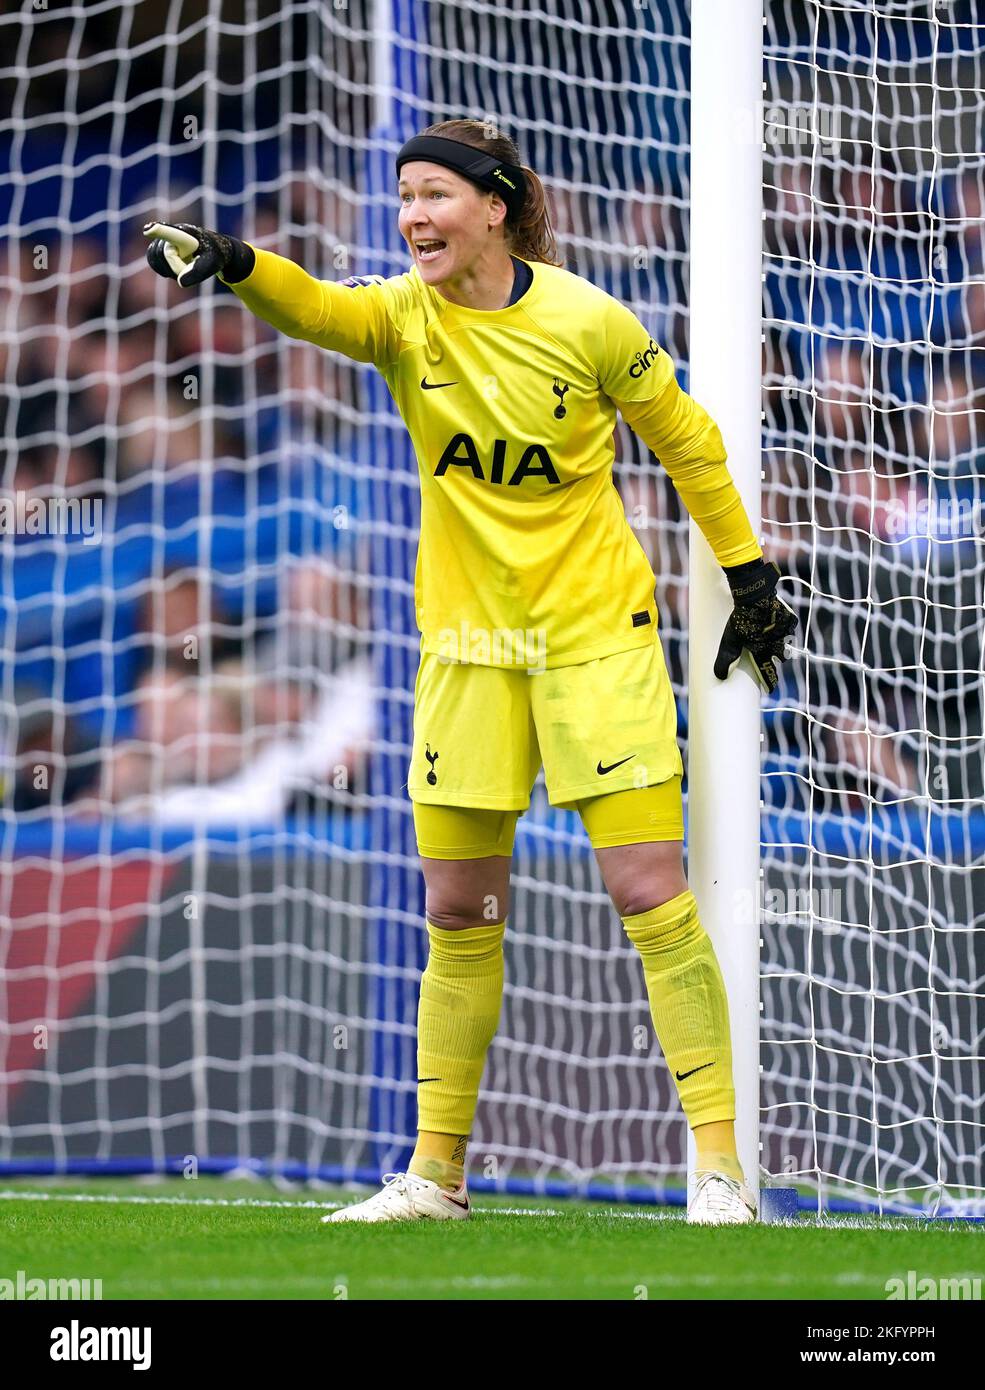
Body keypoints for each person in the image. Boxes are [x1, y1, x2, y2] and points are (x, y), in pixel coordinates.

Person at [145, 119, 797, 1226]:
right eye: (403, 198)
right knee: (457, 907)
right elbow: (316, 306)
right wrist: (238, 262)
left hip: (595, 638)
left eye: (434, 195)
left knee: (647, 888)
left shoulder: (588, 321)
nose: (412, 218)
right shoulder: (402, 314)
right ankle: (435, 1176)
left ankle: (721, 1171)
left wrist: (749, 577)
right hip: (465, 652)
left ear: (494, 207)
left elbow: (687, 440)